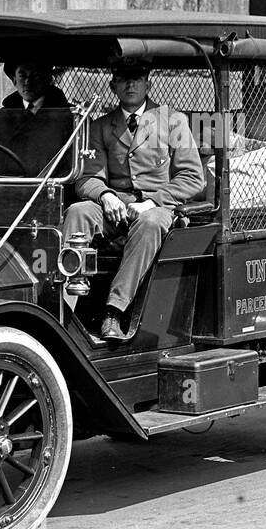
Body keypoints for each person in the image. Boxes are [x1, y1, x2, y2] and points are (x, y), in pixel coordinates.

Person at [64, 57, 205, 341]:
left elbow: (193, 178)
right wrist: (104, 196)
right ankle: (62, 302)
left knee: (150, 223)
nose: (130, 84)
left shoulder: (172, 120)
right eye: (124, 78)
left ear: (147, 83)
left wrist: (153, 201)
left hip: (159, 207)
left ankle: (114, 311)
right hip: (115, 207)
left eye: (137, 78)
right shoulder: (100, 126)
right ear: (113, 85)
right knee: (79, 211)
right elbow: (87, 177)